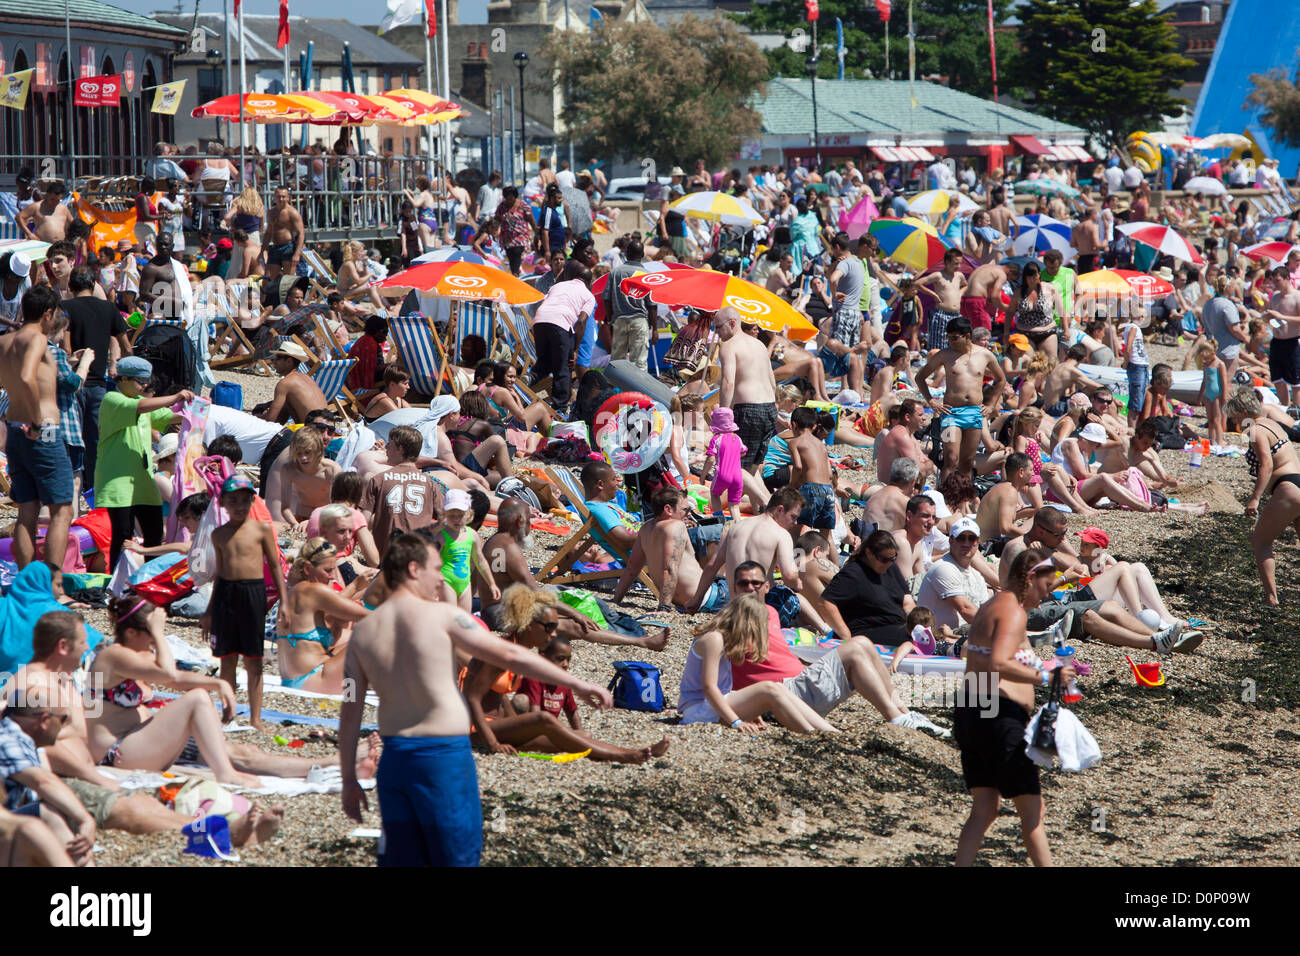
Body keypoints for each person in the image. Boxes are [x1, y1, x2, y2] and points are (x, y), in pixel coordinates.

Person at [340, 536, 614, 866]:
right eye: (436, 569)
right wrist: (575, 683)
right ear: (414, 570)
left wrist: (349, 782)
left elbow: (350, 709)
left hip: (395, 763)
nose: (442, 577)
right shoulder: (442, 617)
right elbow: (511, 653)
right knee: (456, 858)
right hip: (442, 760)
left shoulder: (364, 633)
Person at [3, 611, 284, 847]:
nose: (86, 648)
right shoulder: (33, 686)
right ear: (63, 646)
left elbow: (88, 722)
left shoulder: (62, 679)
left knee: (145, 805)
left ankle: (221, 831)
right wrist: (95, 775)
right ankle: (228, 837)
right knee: (133, 810)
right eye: (82, 643)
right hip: (61, 781)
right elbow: (34, 743)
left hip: (92, 769)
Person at [92, 593, 374, 785]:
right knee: (198, 700)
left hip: (142, 741)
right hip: (119, 752)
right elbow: (169, 675)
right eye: (150, 636)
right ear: (131, 633)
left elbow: (172, 677)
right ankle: (226, 775)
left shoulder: (133, 656)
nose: (155, 643)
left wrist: (217, 682)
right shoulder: (113, 656)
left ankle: (340, 765)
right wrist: (159, 632)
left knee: (246, 753)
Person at [954, 547, 1076, 867]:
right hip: (999, 715)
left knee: (984, 810)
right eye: (1046, 587)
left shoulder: (991, 606)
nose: (1045, 596)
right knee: (1033, 813)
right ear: (1031, 577)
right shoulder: (1013, 611)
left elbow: (980, 652)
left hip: (971, 709)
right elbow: (998, 662)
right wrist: (1047, 676)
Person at [462, 584, 669, 764]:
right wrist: (493, 744)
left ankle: (634, 752)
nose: (553, 634)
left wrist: (516, 724)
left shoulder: (518, 649)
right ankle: (624, 757)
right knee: (543, 719)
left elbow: (499, 696)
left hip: (499, 727)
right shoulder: (500, 652)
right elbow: (471, 698)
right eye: (549, 627)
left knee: (578, 737)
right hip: (478, 731)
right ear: (528, 623)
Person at [486, 499, 669, 650]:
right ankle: (643, 642)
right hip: (503, 615)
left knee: (564, 614)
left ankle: (634, 638)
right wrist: (575, 613)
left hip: (495, 609)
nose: (530, 526)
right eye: (529, 519)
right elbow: (537, 594)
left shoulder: (493, 543)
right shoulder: (510, 548)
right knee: (577, 623)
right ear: (519, 521)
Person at [0, 288, 77, 596]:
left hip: (14, 427)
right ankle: (54, 587)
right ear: (48, 313)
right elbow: (28, 377)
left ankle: (24, 584)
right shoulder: (37, 339)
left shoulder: (4, 341)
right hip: (40, 428)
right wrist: (35, 420)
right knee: (62, 510)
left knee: (27, 510)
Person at [678, 594, 838, 734]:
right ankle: (810, 733)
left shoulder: (722, 637)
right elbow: (709, 687)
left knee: (777, 688)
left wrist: (753, 711)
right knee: (768, 689)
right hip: (698, 708)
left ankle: (828, 731)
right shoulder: (713, 639)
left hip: (714, 703)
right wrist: (736, 721)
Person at [203, 476, 287, 732]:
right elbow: (219, 574)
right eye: (233, 501)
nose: (240, 506)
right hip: (227, 595)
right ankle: (228, 713)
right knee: (227, 659)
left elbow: (275, 565)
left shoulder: (261, 529)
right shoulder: (218, 535)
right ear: (223, 503)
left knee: (254, 659)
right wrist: (209, 611)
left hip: (253, 593)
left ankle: (255, 718)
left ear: (252, 500)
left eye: (244, 500)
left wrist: (284, 601)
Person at [1228, 388, 1300, 605]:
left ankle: (1271, 598)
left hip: (1287, 488)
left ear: (1243, 411)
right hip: (1297, 483)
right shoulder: (1272, 424)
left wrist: (1255, 498)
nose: (1234, 422)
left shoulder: (1255, 429)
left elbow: (1266, 465)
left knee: (1261, 540)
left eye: (1234, 416)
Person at [62, 268, 132, 489]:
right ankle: (93, 485)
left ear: (70, 287)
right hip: (98, 386)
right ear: (93, 285)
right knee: (95, 439)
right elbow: (126, 346)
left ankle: (74, 484)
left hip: (74, 383)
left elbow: (66, 348)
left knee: (72, 438)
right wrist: (123, 368)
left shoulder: (65, 308)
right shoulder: (109, 308)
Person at [687, 488, 806, 612]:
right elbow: (788, 575)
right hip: (758, 608)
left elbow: (712, 565)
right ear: (780, 509)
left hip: (734, 606)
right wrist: (798, 583)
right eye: (793, 517)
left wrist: (696, 600)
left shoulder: (735, 527)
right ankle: (823, 628)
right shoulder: (781, 534)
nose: (795, 522)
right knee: (794, 599)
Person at [917, 315, 1006, 480]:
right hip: (951, 413)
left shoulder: (985, 355)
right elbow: (920, 377)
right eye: (948, 336)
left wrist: (992, 405)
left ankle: (962, 500)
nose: (950, 340)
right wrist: (931, 401)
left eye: (954, 337)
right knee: (950, 459)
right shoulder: (944, 355)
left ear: (967, 336)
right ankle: (944, 497)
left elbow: (1001, 380)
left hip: (974, 413)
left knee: (967, 462)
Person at [276, 537, 369, 693]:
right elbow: (369, 617)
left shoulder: (295, 590)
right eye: (327, 570)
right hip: (312, 680)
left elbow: (332, 615)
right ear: (307, 569)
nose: (333, 576)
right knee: (371, 635)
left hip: (294, 680)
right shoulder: (314, 590)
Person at [359, 425, 444, 554]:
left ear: (400, 449)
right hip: (420, 553)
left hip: (387, 556)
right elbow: (445, 519)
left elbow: (363, 523)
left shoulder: (379, 480)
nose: (386, 447)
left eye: (390, 444)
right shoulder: (430, 483)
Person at [715, 306, 779, 475]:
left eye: (718, 327)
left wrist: (723, 415)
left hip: (749, 410)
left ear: (732, 323)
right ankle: (757, 502)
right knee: (754, 468)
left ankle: (763, 501)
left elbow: (728, 382)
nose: (716, 333)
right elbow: (772, 381)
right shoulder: (759, 345)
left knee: (738, 465)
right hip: (769, 408)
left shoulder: (728, 346)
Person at [916, 517, 1001, 630]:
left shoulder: (976, 575)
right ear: (951, 540)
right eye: (961, 538)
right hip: (938, 639)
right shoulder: (943, 568)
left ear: (977, 542)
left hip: (961, 635)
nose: (966, 543)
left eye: (971, 538)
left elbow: (983, 610)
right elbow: (965, 609)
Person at [531, 260, 593, 407]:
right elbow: (582, 322)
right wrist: (575, 350)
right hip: (560, 324)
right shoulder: (588, 295)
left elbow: (546, 304)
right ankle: (559, 407)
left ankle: (528, 378)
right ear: (589, 282)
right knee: (563, 367)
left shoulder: (557, 286)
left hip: (539, 322)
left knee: (544, 363)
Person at [431, 489, 497, 611]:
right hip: (446, 582)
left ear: (469, 514)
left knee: (465, 618)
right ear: (444, 515)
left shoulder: (472, 535)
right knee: (451, 616)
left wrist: (492, 584)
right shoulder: (441, 536)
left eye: (460, 515)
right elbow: (433, 564)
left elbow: (481, 562)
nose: (456, 519)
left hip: (465, 584)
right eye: (452, 515)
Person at [606, 238, 652, 370]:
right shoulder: (646, 275)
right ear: (642, 255)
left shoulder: (615, 272)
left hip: (619, 320)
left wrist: (610, 320)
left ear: (626, 254)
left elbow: (607, 299)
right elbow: (651, 304)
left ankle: (616, 390)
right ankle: (637, 390)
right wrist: (654, 328)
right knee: (639, 363)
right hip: (639, 321)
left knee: (617, 362)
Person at [260, 341, 327, 424]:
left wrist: (255, 416)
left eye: (278, 358)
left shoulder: (285, 383)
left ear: (289, 361)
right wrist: (268, 405)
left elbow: (270, 419)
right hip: (328, 429)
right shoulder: (307, 378)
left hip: (312, 433)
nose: (274, 361)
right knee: (286, 403)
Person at [976, 452, 1037, 543]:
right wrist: (1030, 539)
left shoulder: (1004, 487)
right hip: (988, 545)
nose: (1033, 473)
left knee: (1036, 518)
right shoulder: (1009, 491)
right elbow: (1006, 528)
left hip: (985, 540)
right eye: (1031, 470)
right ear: (1021, 472)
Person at [704, 406, 747, 520]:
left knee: (714, 494)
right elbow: (743, 452)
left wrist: (703, 475)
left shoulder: (716, 439)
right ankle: (738, 525)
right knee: (733, 505)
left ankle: (720, 519)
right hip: (737, 476)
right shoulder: (737, 438)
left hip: (723, 475)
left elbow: (710, 460)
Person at [864, 456, 922, 533]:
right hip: (882, 542)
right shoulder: (905, 502)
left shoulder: (876, 495)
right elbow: (917, 531)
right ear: (912, 482)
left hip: (865, 539)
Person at [262, 185, 305, 281]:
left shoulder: (292, 212)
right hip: (275, 247)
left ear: (288, 197)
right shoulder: (271, 212)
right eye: (278, 196)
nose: (281, 199)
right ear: (274, 197)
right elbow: (268, 233)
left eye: (283, 196)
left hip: (288, 247)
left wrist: (297, 254)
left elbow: (301, 233)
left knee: (287, 282)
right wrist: (262, 250)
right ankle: (267, 296)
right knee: (267, 280)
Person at [347, 316, 389, 394]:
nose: (385, 337)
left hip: (353, 381)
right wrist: (389, 365)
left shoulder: (362, 340)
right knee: (395, 375)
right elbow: (372, 369)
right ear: (377, 331)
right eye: (385, 332)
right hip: (364, 383)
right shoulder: (370, 345)